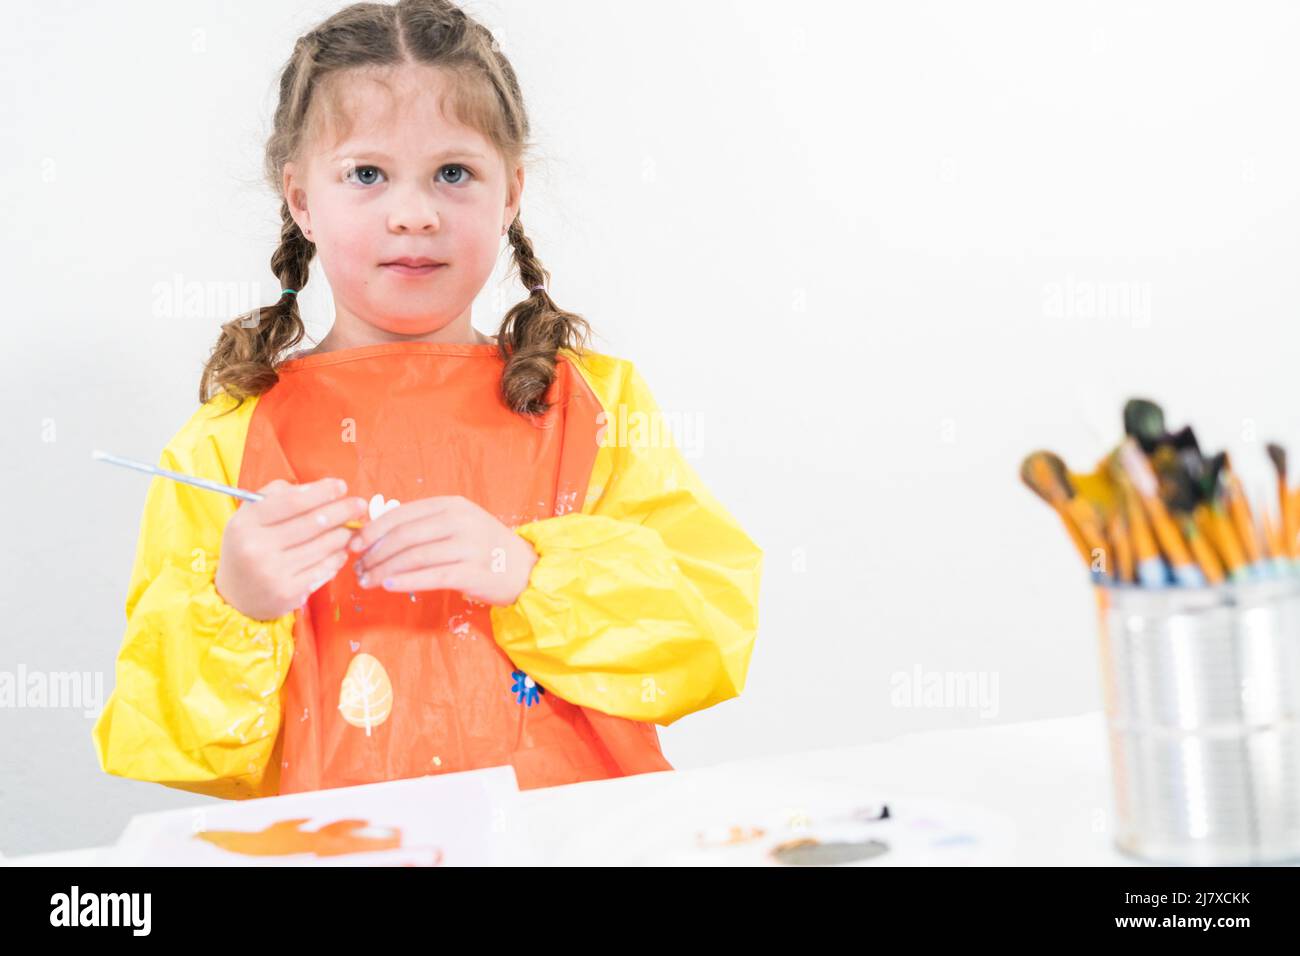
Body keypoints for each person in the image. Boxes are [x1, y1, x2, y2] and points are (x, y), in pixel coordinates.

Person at [91, 0, 763, 799]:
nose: (414, 215)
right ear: (301, 199)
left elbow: (708, 638)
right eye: (367, 175)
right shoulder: (229, 443)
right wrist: (236, 603)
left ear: (510, 192)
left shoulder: (588, 405)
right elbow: (174, 748)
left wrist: (525, 570)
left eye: (453, 173)